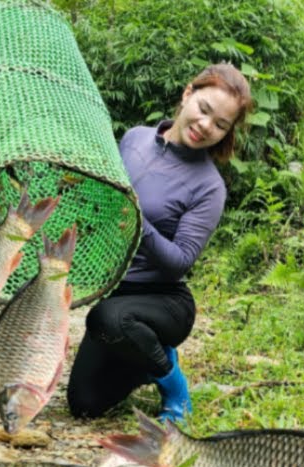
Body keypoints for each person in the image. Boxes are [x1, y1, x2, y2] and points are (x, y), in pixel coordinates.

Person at [67, 63, 254, 422]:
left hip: (164, 303)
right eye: (204, 110)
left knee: (106, 318)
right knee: (84, 404)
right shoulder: (134, 138)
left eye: (220, 125)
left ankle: (171, 382)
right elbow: (105, 208)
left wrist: (138, 221)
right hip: (119, 295)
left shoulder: (209, 187)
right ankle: (143, 360)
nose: (205, 126)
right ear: (188, 95)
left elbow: (180, 260)